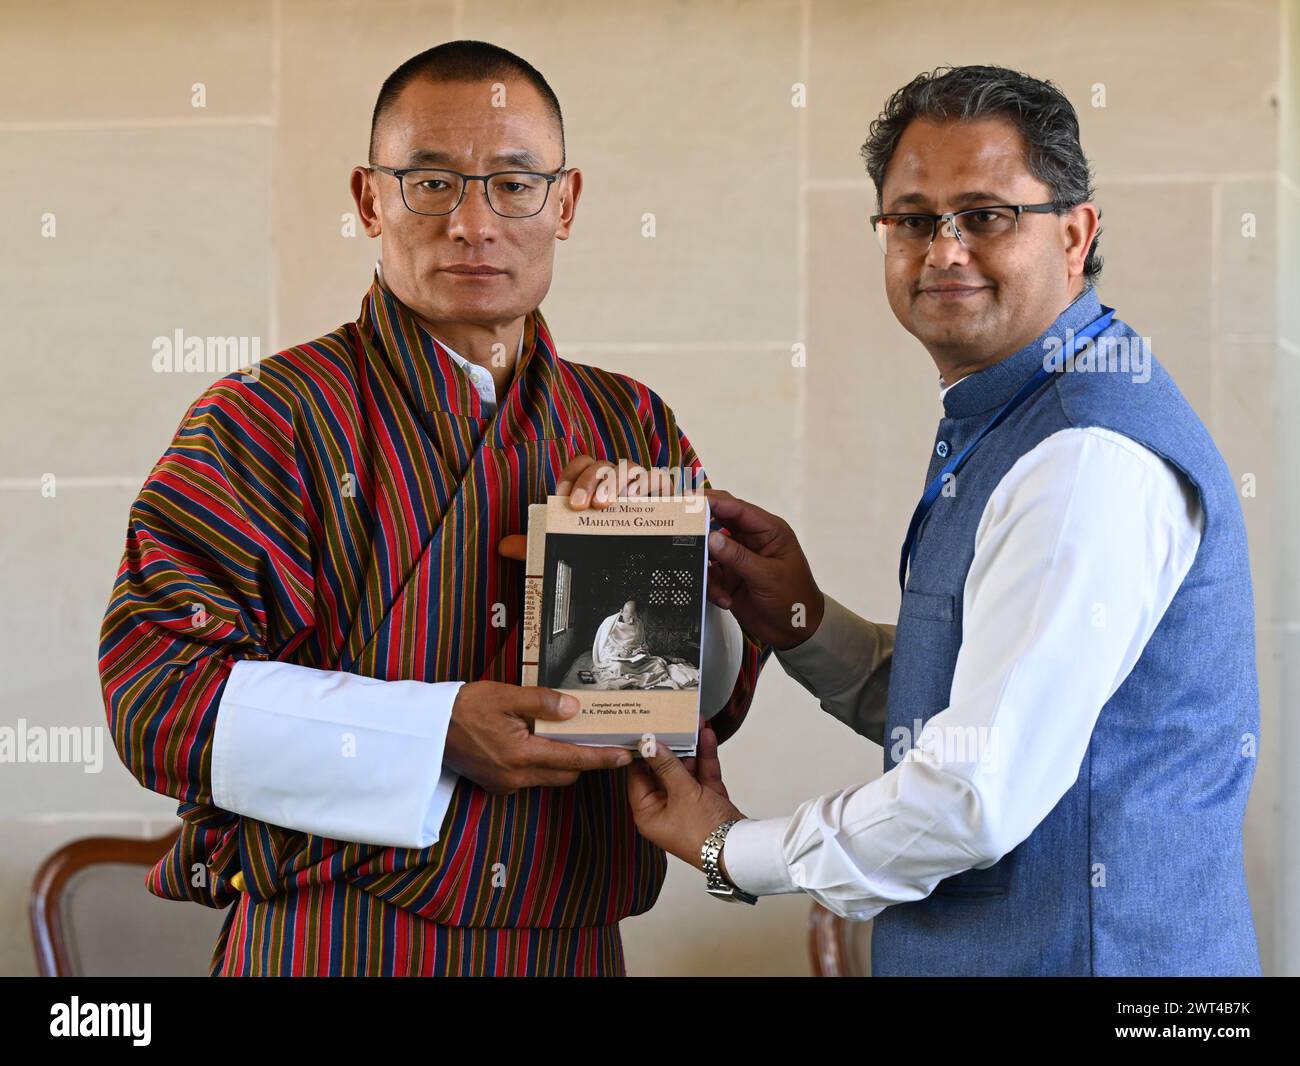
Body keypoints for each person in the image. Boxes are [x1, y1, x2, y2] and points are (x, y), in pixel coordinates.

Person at [99, 39, 766, 976]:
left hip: (567, 944)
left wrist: (652, 562)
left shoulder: (630, 420)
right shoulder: (265, 417)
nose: (473, 224)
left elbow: (702, 705)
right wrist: (435, 732)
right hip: (330, 940)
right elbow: (156, 698)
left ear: (564, 203)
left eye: (513, 184)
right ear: (370, 199)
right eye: (432, 183)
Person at [627, 65, 1261, 977]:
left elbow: (972, 793)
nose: (945, 250)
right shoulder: (1018, 411)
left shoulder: (1084, 456)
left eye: (987, 214)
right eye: (914, 219)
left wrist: (733, 851)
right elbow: (977, 714)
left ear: (1075, 233)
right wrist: (800, 620)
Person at [591, 600, 699, 690]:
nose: (632, 620)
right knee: (618, 667)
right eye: (629, 617)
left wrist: (642, 650)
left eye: (634, 616)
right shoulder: (610, 624)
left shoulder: (639, 623)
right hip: (619, 659)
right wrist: (619, 653)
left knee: (658, 665)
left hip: (636, 660)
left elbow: (642, 644)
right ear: (621, 612)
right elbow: (603, 649)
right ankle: (632, 677)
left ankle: (637, 675)